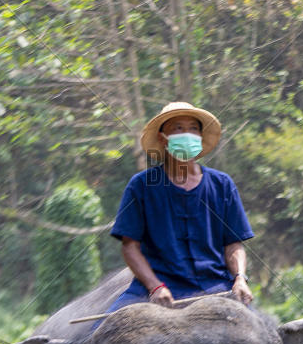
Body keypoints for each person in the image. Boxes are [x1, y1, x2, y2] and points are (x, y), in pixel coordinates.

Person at [107, 101, 255, 310]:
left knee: (262, 335)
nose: (187, 134)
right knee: (104, 333)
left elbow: (234, 244)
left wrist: (240, 278)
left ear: (201, 138)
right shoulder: (140, 186)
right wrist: (155, 286)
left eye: (193, 129)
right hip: (154, 289)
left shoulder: (223, 185)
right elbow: (130, 247)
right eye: (178, 128)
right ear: (162, 138)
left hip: (215, 286)